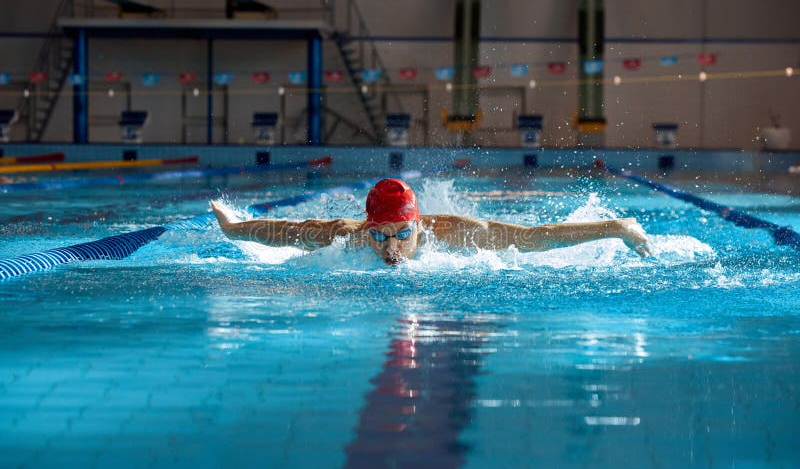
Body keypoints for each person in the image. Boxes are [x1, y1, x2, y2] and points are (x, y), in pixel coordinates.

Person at [210, 178, 652, 266]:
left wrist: (615, 228)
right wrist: (233, 228)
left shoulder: (458, 233)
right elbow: (284, 231)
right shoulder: (349, 236)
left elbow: (535, 239)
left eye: (403, 234)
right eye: (381, 235)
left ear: (419, 227)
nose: (391, 248)